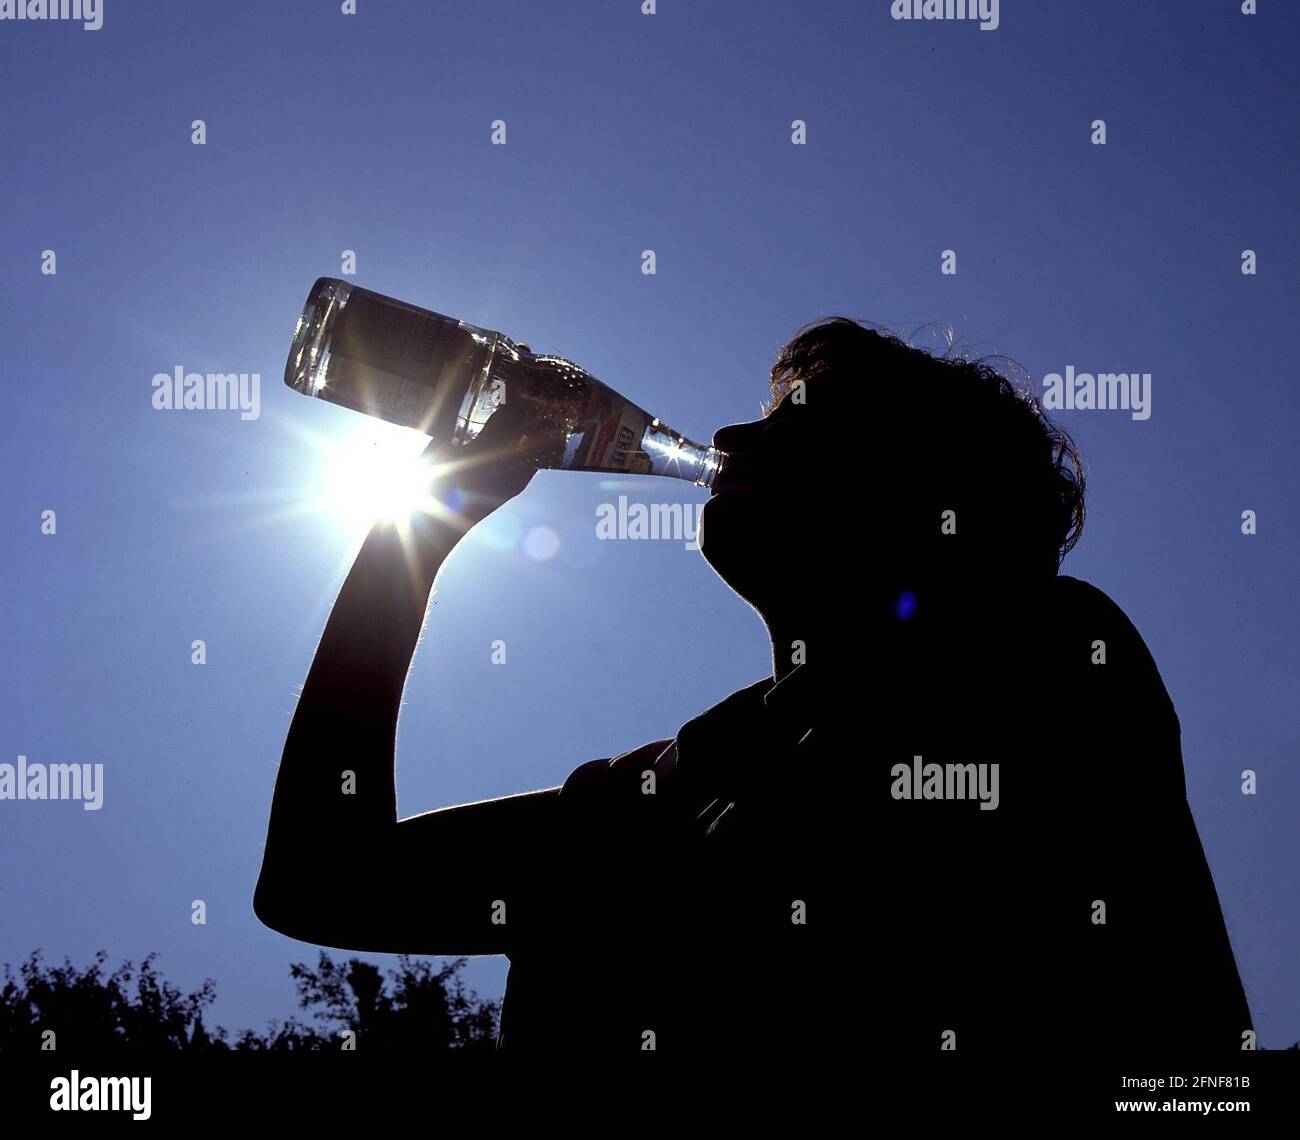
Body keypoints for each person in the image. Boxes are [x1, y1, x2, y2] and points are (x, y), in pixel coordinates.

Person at [254, 317, 1252, 1062]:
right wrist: (410, 540)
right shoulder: (643, 799)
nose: (733, 432)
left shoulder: (1053, 650)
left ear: (916, 495)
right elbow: (320, 880)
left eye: (797, 424)